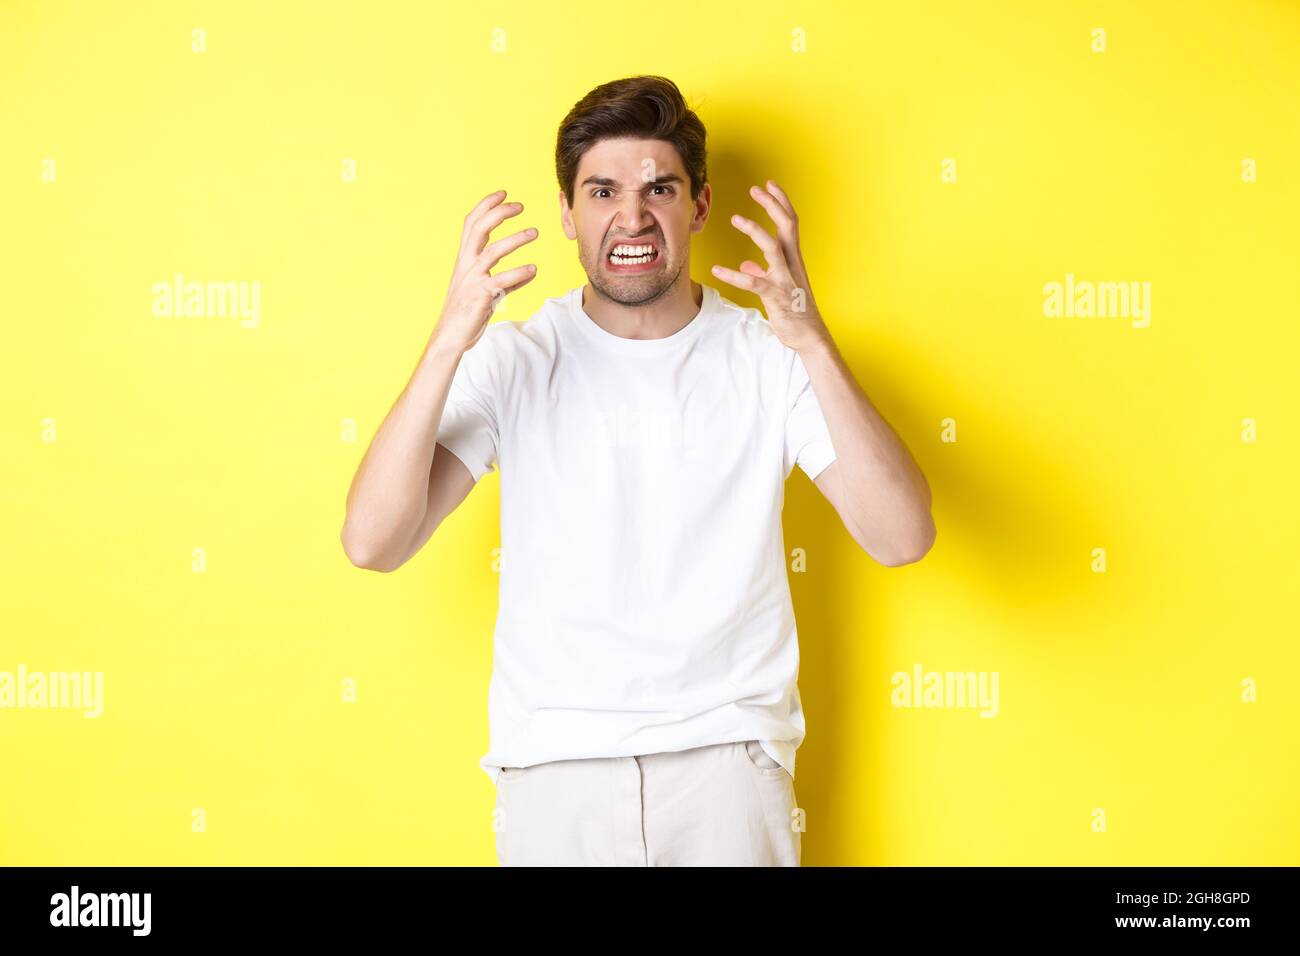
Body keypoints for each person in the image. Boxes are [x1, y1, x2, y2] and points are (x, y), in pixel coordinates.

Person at [340, 75, 935, 866]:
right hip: (556, 771)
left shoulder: (768, 358)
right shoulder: (514, 361)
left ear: (698, 206)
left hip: (729, 769)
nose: (632, 216)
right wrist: (451, 338)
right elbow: (373, 542)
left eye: (660, 187)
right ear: (566, 212)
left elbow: (901, 538)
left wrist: (814, 342)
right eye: (602, 191)